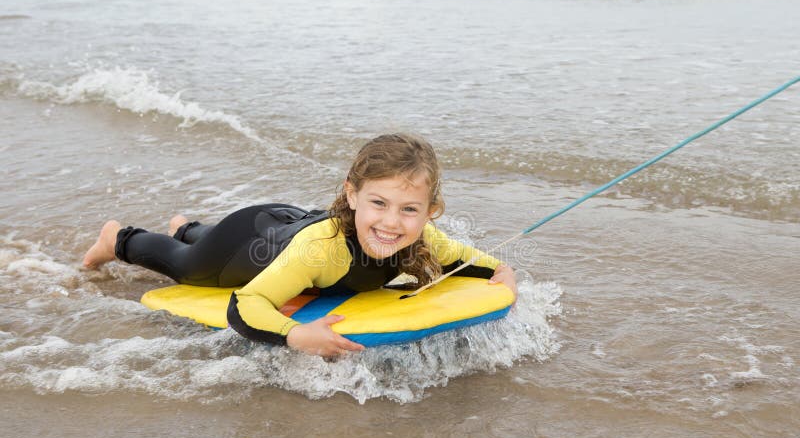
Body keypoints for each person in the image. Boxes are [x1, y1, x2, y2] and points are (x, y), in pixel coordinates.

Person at [83, 133, 517, 357]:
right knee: (187, 266)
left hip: (283, 227)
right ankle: (118, 238)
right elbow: (245, 304)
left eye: (409, 210)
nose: (391, 222)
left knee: (200, 241)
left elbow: (474, 264)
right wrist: (295, 336)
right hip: (247, 243)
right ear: (351, 195)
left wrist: (502, 273)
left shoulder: (421, 237)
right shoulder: (322, 250)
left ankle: (188, 225)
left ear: (430, 210)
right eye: (378, 203)